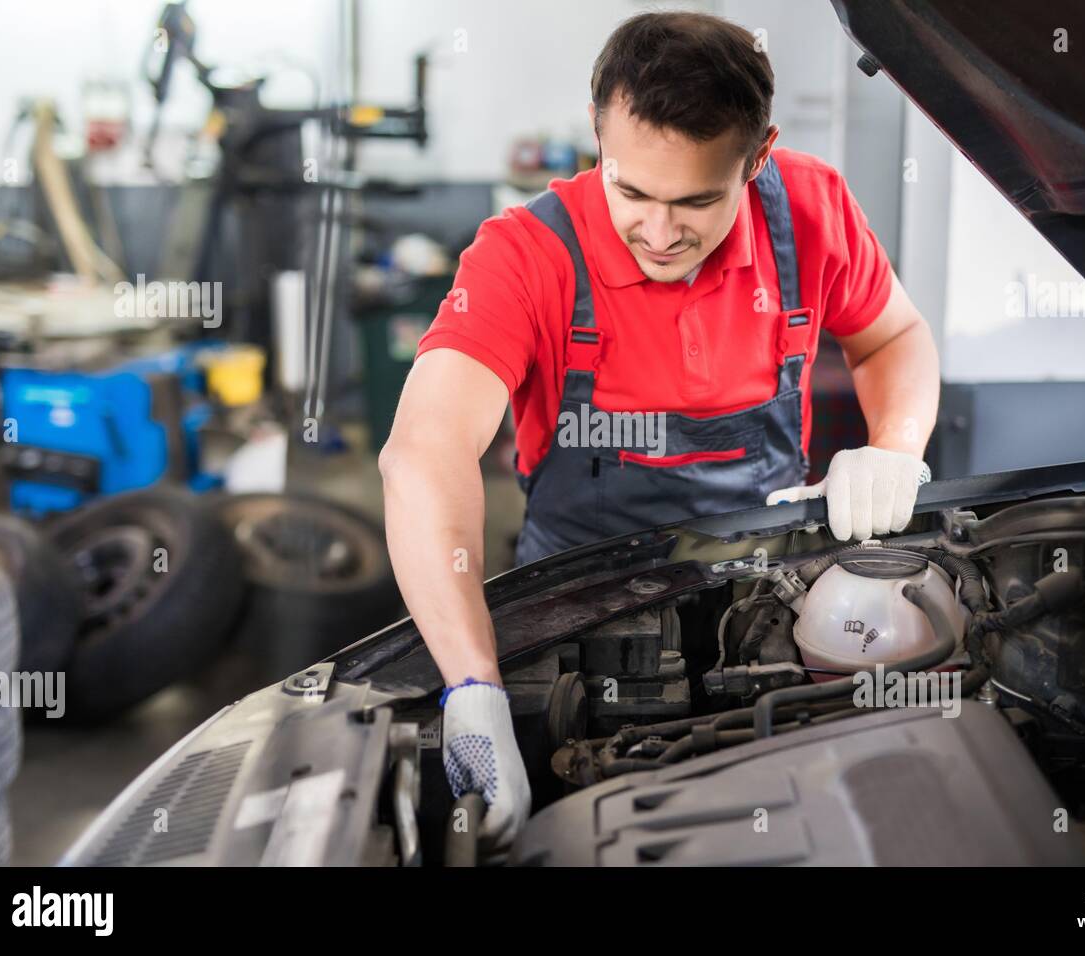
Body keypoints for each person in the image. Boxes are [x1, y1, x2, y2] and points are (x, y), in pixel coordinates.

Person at [380, 11, 940, 849]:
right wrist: (472, 687)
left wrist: (893, 447)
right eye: (631, 190)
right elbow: (423, 452)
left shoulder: (811, 210)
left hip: (763, 587)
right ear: (599, 138)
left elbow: (894, 335)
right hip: (572, 588)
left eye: (697, 200)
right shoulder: (525, 255)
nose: (659, 230)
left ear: (757, 157)